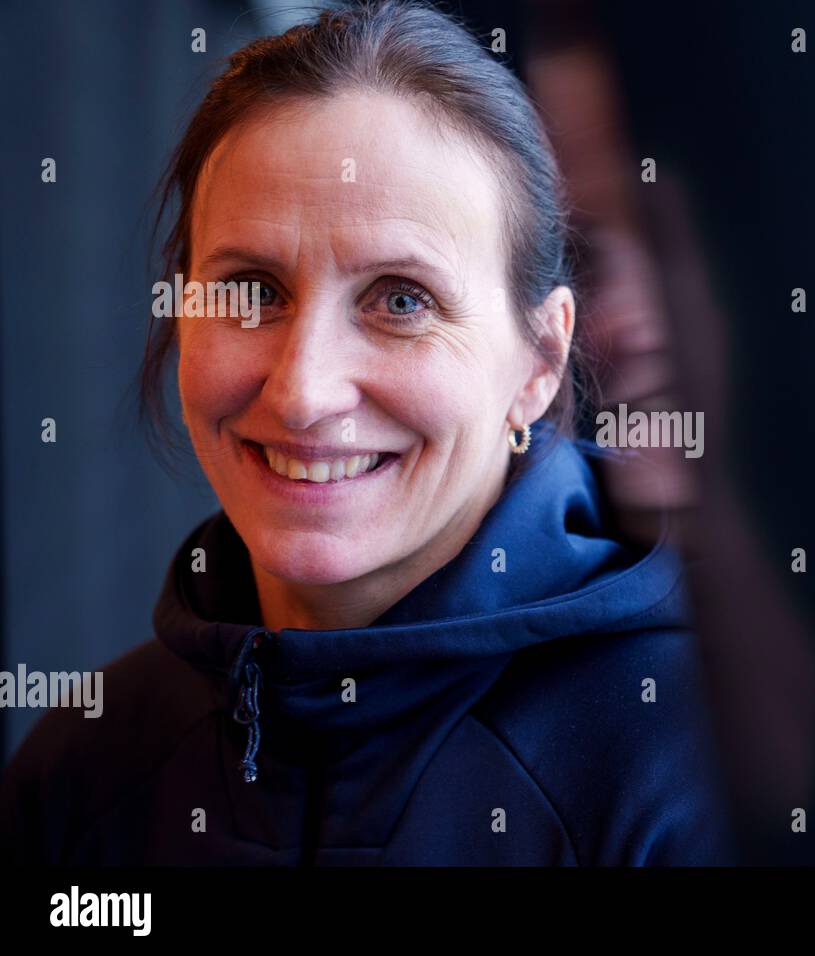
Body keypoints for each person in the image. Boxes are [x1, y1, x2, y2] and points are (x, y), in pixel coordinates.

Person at [0, 0, 736, 866]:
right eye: (252, 292)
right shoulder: (85, 768)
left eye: (400, 300)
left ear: (540, 361)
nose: (305, 391)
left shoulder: (695, 763)